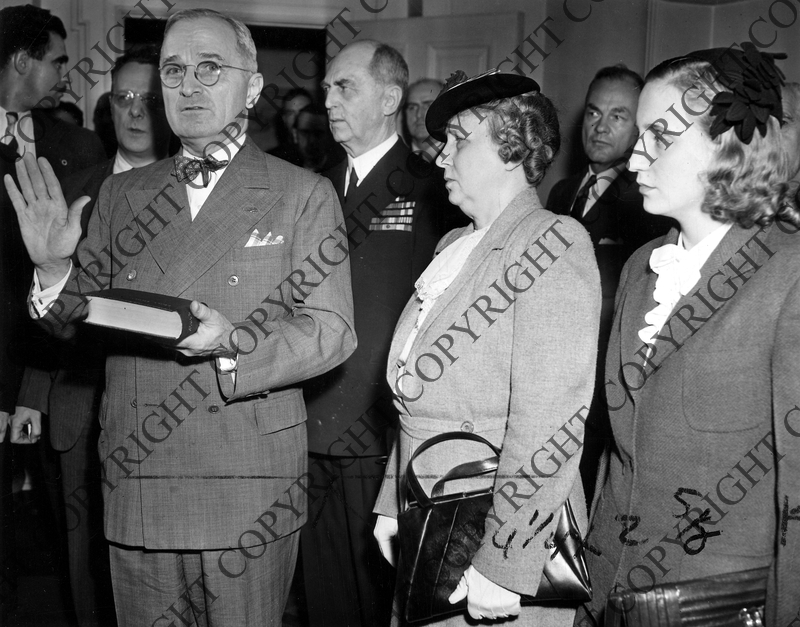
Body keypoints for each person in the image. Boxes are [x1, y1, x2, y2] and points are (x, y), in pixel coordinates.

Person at [4, 8, 355, 626]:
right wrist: (53, 273)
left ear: (251, 87)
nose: (188, 85)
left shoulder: (303, 193)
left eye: (209, 68)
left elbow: (332, 330)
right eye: (173, 70)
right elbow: (74, 322)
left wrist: (234, 345)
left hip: (246, 481)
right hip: (139, 479)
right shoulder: (122, 195)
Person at [576, 44, 800, 627]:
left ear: (725, 144)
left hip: (718, 606)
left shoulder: (788, 274)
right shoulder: (640, 265)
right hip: (609, 593)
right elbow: (618, 457)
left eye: (659, 135)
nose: (633, 159)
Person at [374, 68, 601, 625]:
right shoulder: (455, 245)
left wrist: (504, 562)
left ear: (511, 148)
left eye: (459, 139)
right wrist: (391, 502)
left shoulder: (551, 242)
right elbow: (417, 400)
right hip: (429, 523)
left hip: (492, 543)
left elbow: (552, 423)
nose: (440, 157)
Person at [11, 44, 170, 627]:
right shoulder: (74, 185)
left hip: (165, 408)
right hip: (80, 401)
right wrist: (31, 391)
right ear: (108, 107)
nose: (134, 112)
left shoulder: (197, 191)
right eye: (122, 99)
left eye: (148, 100)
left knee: (155, 567)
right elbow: (45, 306)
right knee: (85, 561)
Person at [299, 40, 450, 626]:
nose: (328, 100)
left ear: (390, 97)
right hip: (308, 423)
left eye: (345, 87)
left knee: (379, 596)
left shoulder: (431, 187)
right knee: (321, 593)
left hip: (380, 434)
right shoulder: (310, 187)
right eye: (327, 89)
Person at [0, 5, 106, 619]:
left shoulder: (80, 146)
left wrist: (32, 387)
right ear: (23, 61)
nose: (66, 72)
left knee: (63, 533)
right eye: (57, 59)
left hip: (55, 369)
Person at [546, 65, 672, 504]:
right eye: (594, 114)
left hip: (606, 379)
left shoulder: (650, 199)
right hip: (554, 371)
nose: (600, 127)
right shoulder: (561, 193)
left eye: (618, 117)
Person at [293, 102, 344, 173]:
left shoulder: (339, 171)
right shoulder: (287, 168)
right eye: (305, 133)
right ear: (295, 134)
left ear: (329, 134)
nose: (311, 140)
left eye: (318, 134)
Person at [268, 87, 312, 165]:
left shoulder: (329, 159)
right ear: (284, 119)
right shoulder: (272, 160)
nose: (297, 118)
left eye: (303, 111)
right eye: (291, 113)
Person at [404, 78, 443, 162]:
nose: (418, 115)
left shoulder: (460, 159)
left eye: (428, 106)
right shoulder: (394, 160)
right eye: (412, 107)